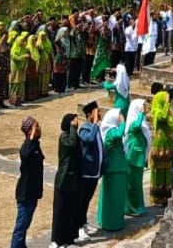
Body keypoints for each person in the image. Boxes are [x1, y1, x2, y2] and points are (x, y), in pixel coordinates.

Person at [10, 116, 44, 248]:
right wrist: (31, 136)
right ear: (30, 130)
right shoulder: (27, 146)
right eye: (36, 126)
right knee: (21, 227)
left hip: (32, 192)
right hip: (25, 194)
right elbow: (24, 154)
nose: (39, 128)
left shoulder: (35, 145)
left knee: (25, 225)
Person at [50, 113, 82, 248]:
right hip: (64, 180)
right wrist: (73, 128)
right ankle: (56, 239)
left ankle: (68, 238)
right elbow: (72, 144)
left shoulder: (75, 136)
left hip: (74, 179)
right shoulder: (64, 136)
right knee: (60, 210)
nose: (77, 123)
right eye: (75, 121)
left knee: (71, 210)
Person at [76, 100, 104, 242]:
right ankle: (78, 227)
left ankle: (84, 223)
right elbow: (90, 139)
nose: (99, 114)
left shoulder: (96, 127)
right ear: (89, 114)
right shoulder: (85, 129)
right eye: (96, 112)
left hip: (95, 172)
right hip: (86, 172)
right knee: (82, 201)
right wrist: (95, 123)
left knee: (87, 200)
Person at [96, 108, 128, 232]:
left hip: (118, 169)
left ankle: (115, 220)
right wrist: (123, 122)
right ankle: (111, 223)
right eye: (119, 116)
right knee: (113, 198)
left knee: (117, 198)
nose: (120, 117)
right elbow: (119, 134)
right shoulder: (110, 132)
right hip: (114, 169)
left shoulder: (112, 131)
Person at [124, 98, 150, 217]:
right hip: (133, 157)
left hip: (139, 156)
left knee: (137, 184)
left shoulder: (141, 120)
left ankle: (138, 206)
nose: (144, 108)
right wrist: (141, 114)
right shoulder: (133, 121)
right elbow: (136, 126)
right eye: (142, 106)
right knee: (132, 184)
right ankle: (131, 208)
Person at [150, 87, 173, 204]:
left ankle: (166, 196)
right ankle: (158, 197)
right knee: (159, 172)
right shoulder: (157, 111)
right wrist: (166, 102)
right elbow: (163, 117)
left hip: (168, 147)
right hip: (160, 148)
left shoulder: (168, 111)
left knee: (167, 171)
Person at [9, 32, 29, 107]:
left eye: (24, 41)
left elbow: (26, 58)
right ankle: (13, 99)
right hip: (15, 67)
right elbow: (14, 58)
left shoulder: (24, 49)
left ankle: (20, 99)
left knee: (21, 83)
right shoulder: (14, 49)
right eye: (21, 41)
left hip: (22, 68)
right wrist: (23, 56)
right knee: (15, 83)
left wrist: (25, 65)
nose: (23, 42)